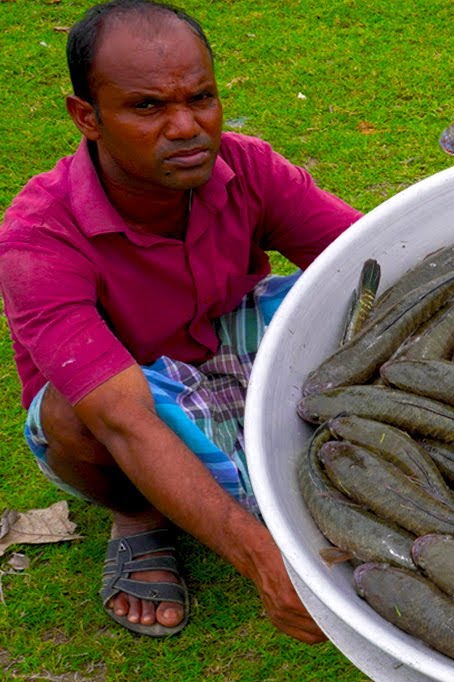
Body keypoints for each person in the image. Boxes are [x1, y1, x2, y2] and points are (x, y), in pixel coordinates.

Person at [0, 0, 361, 641]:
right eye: (147, 107)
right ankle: (140, 516)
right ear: (87, 116)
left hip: (230, 340)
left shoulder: (247, 167)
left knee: (355, 295)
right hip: (135, 393)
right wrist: (262, 559)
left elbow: (367, 259)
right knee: (70, 417)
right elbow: (124, 418)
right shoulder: (38, 236)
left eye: (201, 98)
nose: (187, 127)